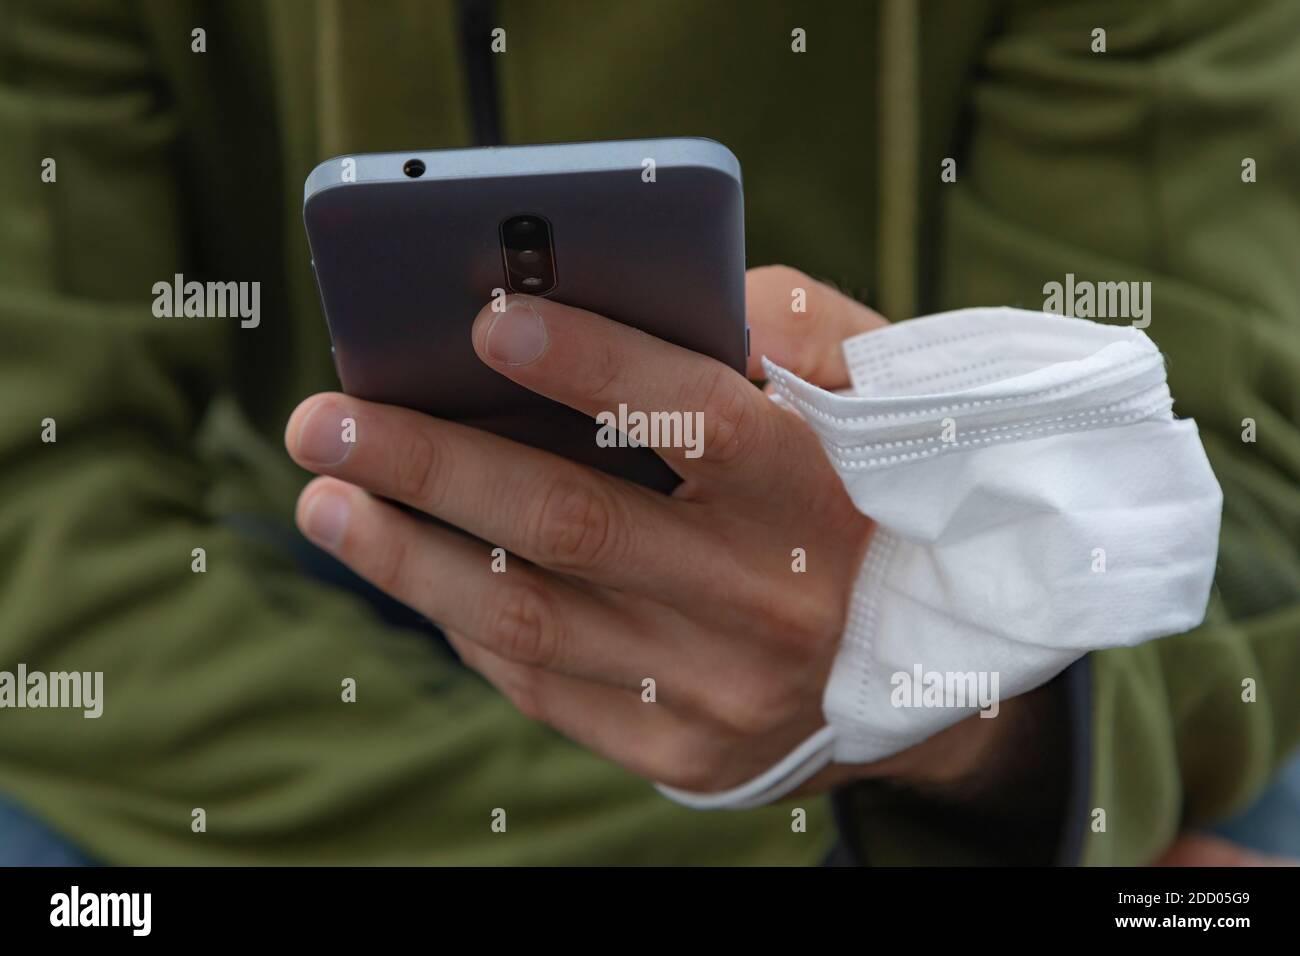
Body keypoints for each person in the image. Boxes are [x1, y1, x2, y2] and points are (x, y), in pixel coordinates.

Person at [0, 0, 1296, 866]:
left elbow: (1222, 504)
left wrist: (963, 696)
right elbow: (39, 523)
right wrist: (827, 830)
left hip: (974, 665)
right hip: (295, 605)